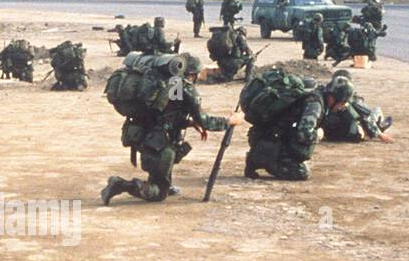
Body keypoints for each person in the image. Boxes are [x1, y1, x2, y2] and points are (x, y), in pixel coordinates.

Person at [101, 55, 242, 204]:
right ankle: (120, 185)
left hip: (143, 135)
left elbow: (168, 113)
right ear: (192, 75)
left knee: (162, 169)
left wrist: (189, 123)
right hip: (158, 142)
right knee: (159, 194)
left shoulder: (167, 84)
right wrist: (230, 121)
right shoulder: (184, 88)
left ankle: (161, 182)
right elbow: (205, 121)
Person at [243, 74, 348, 181]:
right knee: (300, 173)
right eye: (342, 102)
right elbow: (304, 134)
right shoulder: (315, 104)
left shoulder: (317, 97)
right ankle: (261, 158)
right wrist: (318, 134)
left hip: (267, 138)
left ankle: (261, 156)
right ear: (333, 98)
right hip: (271, 141)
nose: (342, 106)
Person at [319, 72, 394, 142]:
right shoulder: (329, 96)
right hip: (344, 122)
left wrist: (378, 133)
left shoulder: (351, 101)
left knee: (375, 112)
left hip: (365, 118)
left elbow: (365, 116)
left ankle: (379, 125)